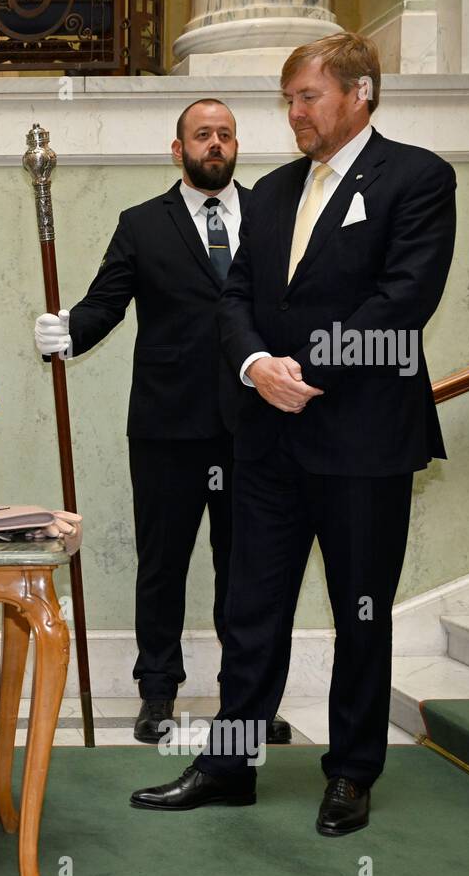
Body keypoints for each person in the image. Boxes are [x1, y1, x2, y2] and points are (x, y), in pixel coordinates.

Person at [130, 33, 455, 836]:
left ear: (360, 93)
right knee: (252, 609)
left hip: (365, 442)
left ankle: (349, 771)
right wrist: (252, 368)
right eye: (289, 101)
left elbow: (403, 302)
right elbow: (234, 299)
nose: (296, 113)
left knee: (361, 612)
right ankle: (231, 765)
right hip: (267, 442)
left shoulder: (417, 178)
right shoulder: (271, 192)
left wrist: (300, 369)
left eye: (308, 97)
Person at [33, 99, 290, 746]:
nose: (215, 144)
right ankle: (157, 692)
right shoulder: (142, 224)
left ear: (237, 147)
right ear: (177, 149)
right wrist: (66, 332)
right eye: (202, 134)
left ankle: (249, 701)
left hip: (255, 427)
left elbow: (295, 304)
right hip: (166, 427)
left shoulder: (272, 216)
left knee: (251, 566)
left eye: (225, 135)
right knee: (162, 564)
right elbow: (105, 305)